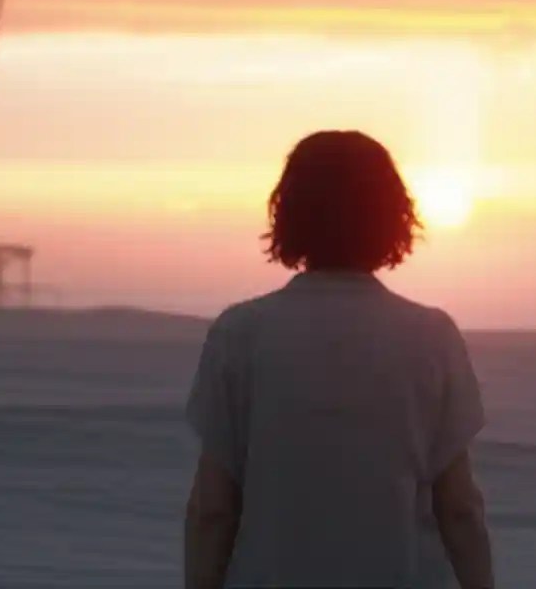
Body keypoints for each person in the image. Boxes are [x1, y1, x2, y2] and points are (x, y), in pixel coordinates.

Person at [183, 130, 494, 588]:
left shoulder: (240, 333)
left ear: (289, 213)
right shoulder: (430, 337)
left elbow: (213, 507)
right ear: (392, 217)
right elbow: (460, 508)